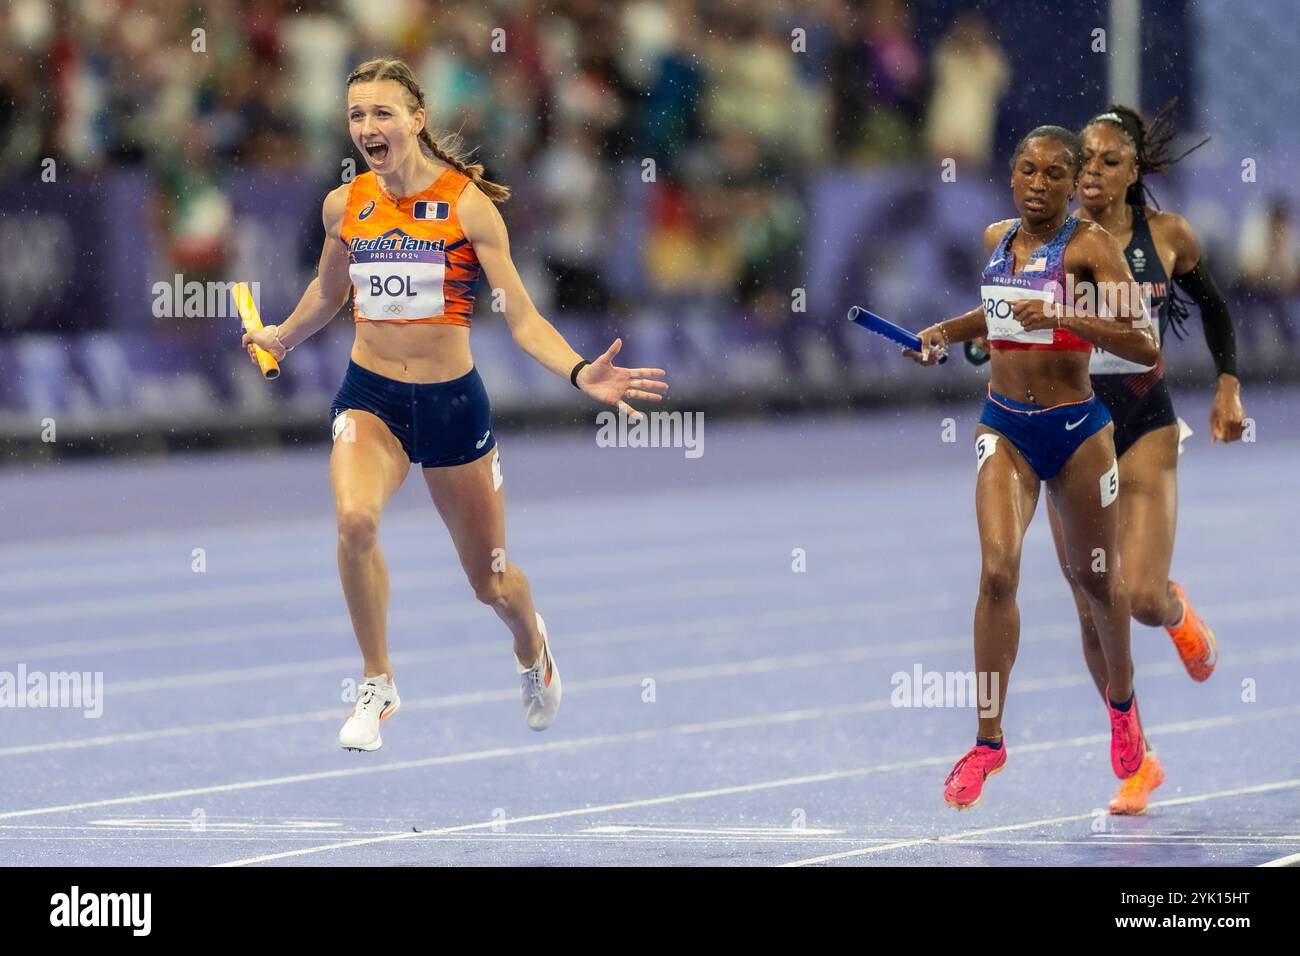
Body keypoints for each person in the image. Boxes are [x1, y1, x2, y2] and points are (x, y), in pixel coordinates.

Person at [240, 57, 668, 751]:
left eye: (382, 113)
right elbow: (328, 293)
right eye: (356, 116)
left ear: (416, 119)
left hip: (451, 408)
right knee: (354, 521)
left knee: (492, 584)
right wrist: (280, 339)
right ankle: (377, 680)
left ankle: (534, 646)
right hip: (370, 397)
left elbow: (523, 317)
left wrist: (581, 371)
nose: (368, 128)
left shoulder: (468, 205)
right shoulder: (342, 205)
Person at [905, 126, 1159, 809]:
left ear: (1074, 183)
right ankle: (988, 742)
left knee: (1097, 585)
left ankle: (1124, 705)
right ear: (1011, 176)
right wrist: (942, 335)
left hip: (1078, 433)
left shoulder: (1089, 247)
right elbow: (994, 320)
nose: (1038, 185)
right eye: (1027, 171)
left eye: (1053, 174)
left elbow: (1143, 344)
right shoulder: (995, 240)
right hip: (1006, 428)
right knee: (995, 572)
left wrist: (1062, 311)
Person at [1047, 103, 1246, 814]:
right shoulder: (1051, 242)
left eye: (1107, 161)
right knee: (1091, 606)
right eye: (1083, 161)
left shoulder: (1171, 238)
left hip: (1145, 422)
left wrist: (1226, 385)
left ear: (1135, 171)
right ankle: (1139, 758)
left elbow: (1216, 310)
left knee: (1137, 597)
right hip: (1069, 425)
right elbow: (1006, 321)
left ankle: (1176, 611)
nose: (1090, 172)